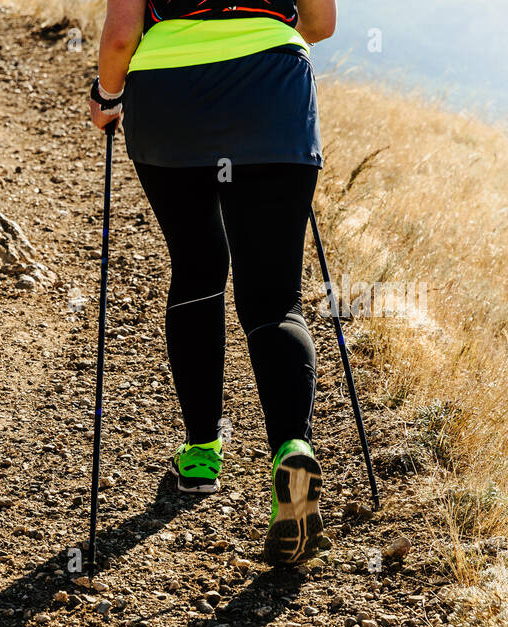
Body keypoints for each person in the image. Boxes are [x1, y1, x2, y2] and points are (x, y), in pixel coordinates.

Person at [89, 0, 337, 565]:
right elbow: (321, 23)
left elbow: (122, 36)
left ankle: (201, 453)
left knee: (198, 270)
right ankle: (292, 452)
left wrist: (107, 96)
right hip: (272, 92)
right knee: (274, 296)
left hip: (170, 98)